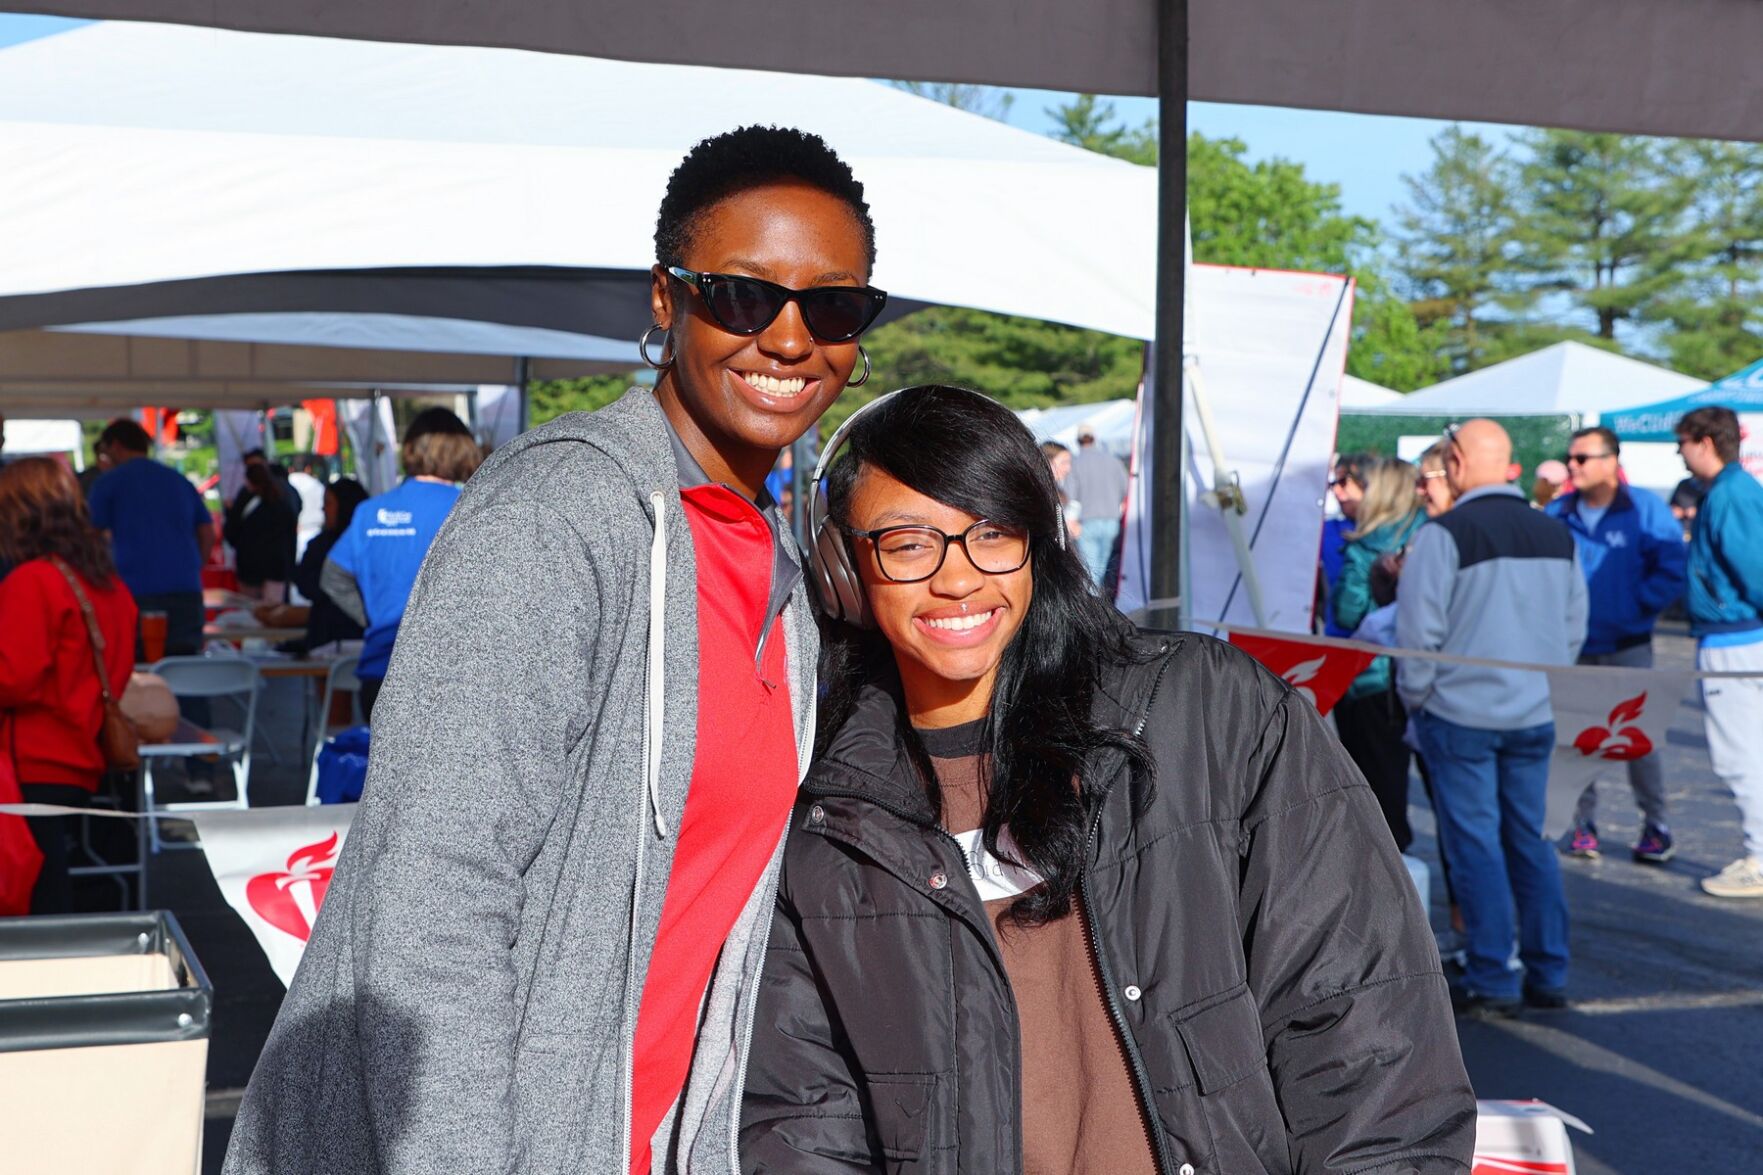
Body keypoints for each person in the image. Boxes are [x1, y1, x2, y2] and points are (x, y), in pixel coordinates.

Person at [224, 125, 886, 1175]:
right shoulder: (557, 514)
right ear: (665, 301)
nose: (789, 336)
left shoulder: (774, 563)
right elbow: (431, 900)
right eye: (742, 295)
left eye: (833, 304)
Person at [740, 385, 1474, 1174]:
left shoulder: (1210, 714)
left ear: (1038, 543)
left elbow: (1367, 1026)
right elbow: (802, 1117)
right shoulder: (815, 804)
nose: (957, 579)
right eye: (909, 543)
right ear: (843, 569)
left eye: (990, 533)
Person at [1397, 419, 1587, 1016]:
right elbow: (1575, 627)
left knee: (1477, 845)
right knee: (1532, 841)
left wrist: (1419, 699)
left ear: (1455, 460)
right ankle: (1547, 970)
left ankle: (1493, 975)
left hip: (1461, 715)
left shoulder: (1445, 534)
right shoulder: (1555, 533)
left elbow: (1419, 638)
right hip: (1535, 712)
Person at [0, 458, 137, 913]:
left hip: (30, 764)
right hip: (81, 755)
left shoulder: (33, 581)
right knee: (51, 886)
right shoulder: (107, 584)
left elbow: (12, 678)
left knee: (38, 897)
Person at [1547, 426, 1686, 863]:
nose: (1573, 466)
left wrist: (1636, 609)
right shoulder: (1557, 513)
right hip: (1575, 649)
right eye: (1571, 458)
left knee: (1639, 740)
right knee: (1576, 737)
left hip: (1628, 644)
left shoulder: (1644, 508)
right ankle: (1582, 823)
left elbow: (1670, 569)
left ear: (1611, 461)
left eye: (1582, 458)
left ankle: (1656, 824)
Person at [319, 408, 481, 720]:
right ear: (462, 449)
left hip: (380, 670)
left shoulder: (371, 511)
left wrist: (374, 616)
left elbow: (333, 576)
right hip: (448, 675)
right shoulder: (468, 508)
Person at [1674, 407, 1763, 898]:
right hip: (1737, 635)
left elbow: (1757, 568)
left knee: (1740, 755)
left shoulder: (1731, 494)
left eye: (1682, 443)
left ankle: (1760, 855)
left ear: (1704, 442)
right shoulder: (1733, 491)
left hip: (1736, 639)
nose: (1679, 453)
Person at [1330, 457, 1425, 851]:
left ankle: (1387, 893)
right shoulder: (1430, 533)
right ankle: (1459, 909)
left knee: (1377, 796)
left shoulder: (1367, 543)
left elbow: (1349, 612)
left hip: (1372, 680)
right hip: (1425, 677)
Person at [86, 418, 213, 656]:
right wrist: (195, 565)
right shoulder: (178, 480)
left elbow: (89, 535)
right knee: (187, 670)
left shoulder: (109, 482)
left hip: (134, 589)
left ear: (115, 446)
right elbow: (206, 531)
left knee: (140, 674)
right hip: (185, 590)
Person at [252, 478, 369, 655]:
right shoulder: (327, 544)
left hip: (342, 635)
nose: (323, 509)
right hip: (332, 634)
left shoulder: (332, 546)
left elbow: (307, 583)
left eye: (328, 503)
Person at [1062, 421, 1128, 584]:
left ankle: (1094, 606)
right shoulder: (1114, 461)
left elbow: (1069, 496)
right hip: (1112, 520)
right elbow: (1125, 489)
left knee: (1091, 571)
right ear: (1094, 438)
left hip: (1086, 522)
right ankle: (1103, 604)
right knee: (1106, 567)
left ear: (1078, 440)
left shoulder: (1075, 463)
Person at [225, 460, 299, 602]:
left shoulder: (245, 499)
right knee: (273, 614)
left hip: (250, 569)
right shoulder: (283, 497)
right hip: (277, 569)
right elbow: (290, 534)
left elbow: (232, 533)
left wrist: (229, 512)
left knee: (250, 615)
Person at [1318, 454, 1370, 637]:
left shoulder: (1396, 531)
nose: (1336, 492)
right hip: (1339, 643)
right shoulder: (1327, 530)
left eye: (1343, 482)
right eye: (1333, 484)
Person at [1039, 439, 1082, 543]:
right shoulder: (1038, 490)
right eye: (1064, 463)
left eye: (1069, 463)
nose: (1068, 468)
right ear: (1048, 462)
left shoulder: (1056, 489)